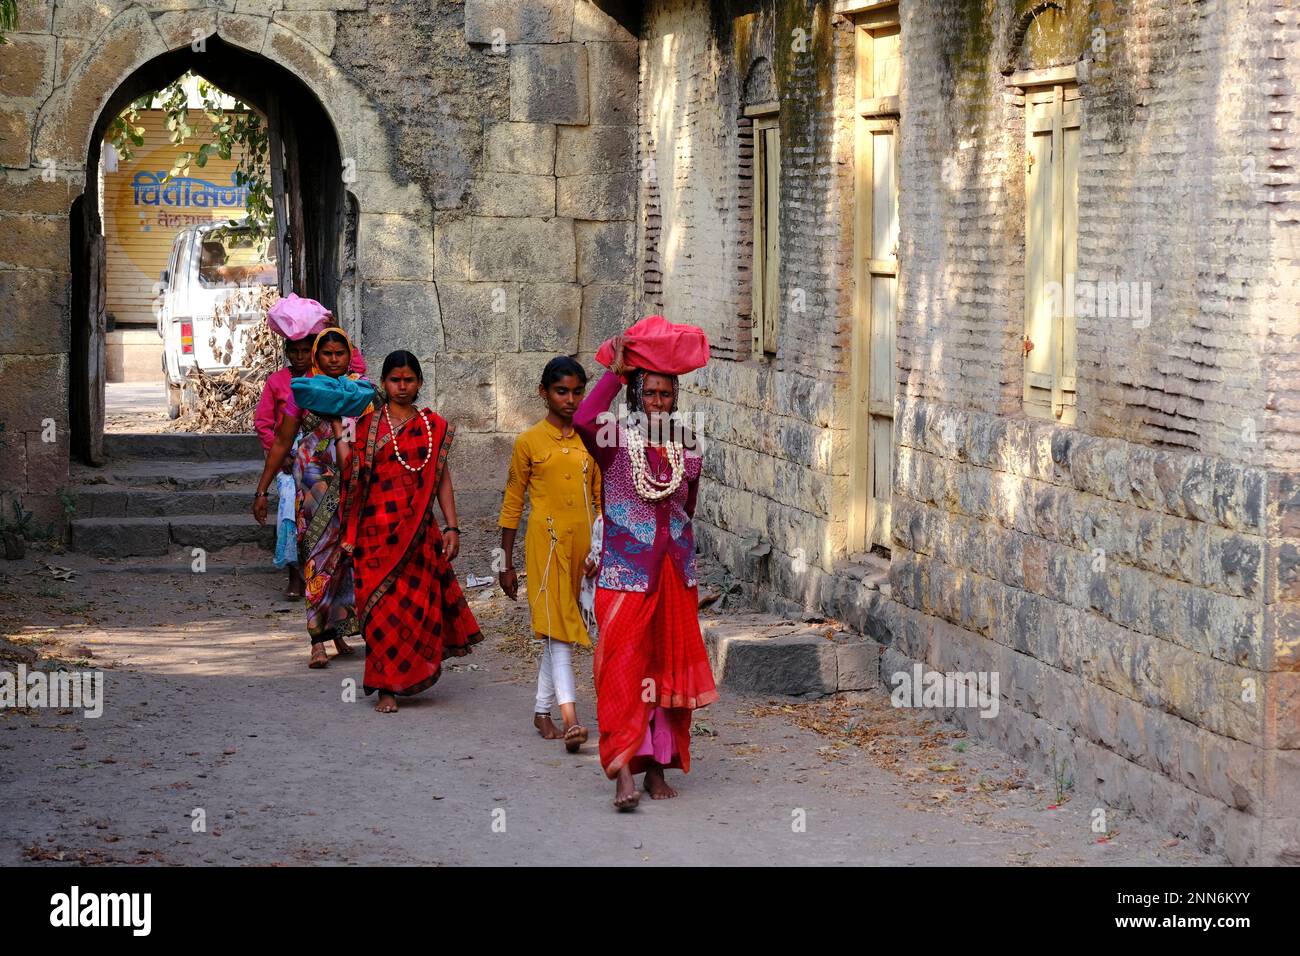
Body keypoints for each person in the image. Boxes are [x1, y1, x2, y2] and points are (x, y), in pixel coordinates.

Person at [575, 333, 718, 810]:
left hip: (675, 576)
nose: (658, 401)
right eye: (650, 392)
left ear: (676, 397)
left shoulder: (688, 446)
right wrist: (616, 373)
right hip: (624, 577)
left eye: (666, 393)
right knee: (621, 670)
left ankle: (657, 766)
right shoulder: (613, 441)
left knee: (663, 672)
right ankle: (622, 773)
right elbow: (581, 416)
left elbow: (688, 507)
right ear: (636, 395)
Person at [339, 351, 483, 713]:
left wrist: (453, 526)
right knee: (380, 610)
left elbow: (441, 479)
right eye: (394, 380)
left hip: (419, 534)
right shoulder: (366, 423)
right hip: (374, 535)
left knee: (415, 608)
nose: (402, 387)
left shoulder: (433, 425)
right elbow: (347, 469)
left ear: (419, 383)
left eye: (409, 380)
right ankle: (384, 685)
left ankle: (408, 674)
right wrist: (341, 427)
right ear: (383, 383)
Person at [498, 357, 600, 751]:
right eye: (562, 391)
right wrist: (506, 562)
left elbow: (599, 499)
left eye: (577, 392)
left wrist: (601, 548)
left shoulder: (589, 440)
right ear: (544, 393)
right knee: (558, 632)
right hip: (547, 545)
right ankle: (571, 719)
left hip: (585, 549)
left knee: (564, 626)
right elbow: (512, 502)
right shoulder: (529, 442)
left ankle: (542, 712)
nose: (571, 400)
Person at [251, 327, 367, 668]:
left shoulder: (360, 390)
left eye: (339, 353)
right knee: (317, 554)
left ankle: (342, 629)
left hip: (354, 480)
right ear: (318, 356)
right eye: (327, 354)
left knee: (349, 557)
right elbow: (282, 443)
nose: (334, 359)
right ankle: (317, 640)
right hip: (315, 481)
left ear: (349, 356)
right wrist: (262, 490)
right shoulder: (302, 391)